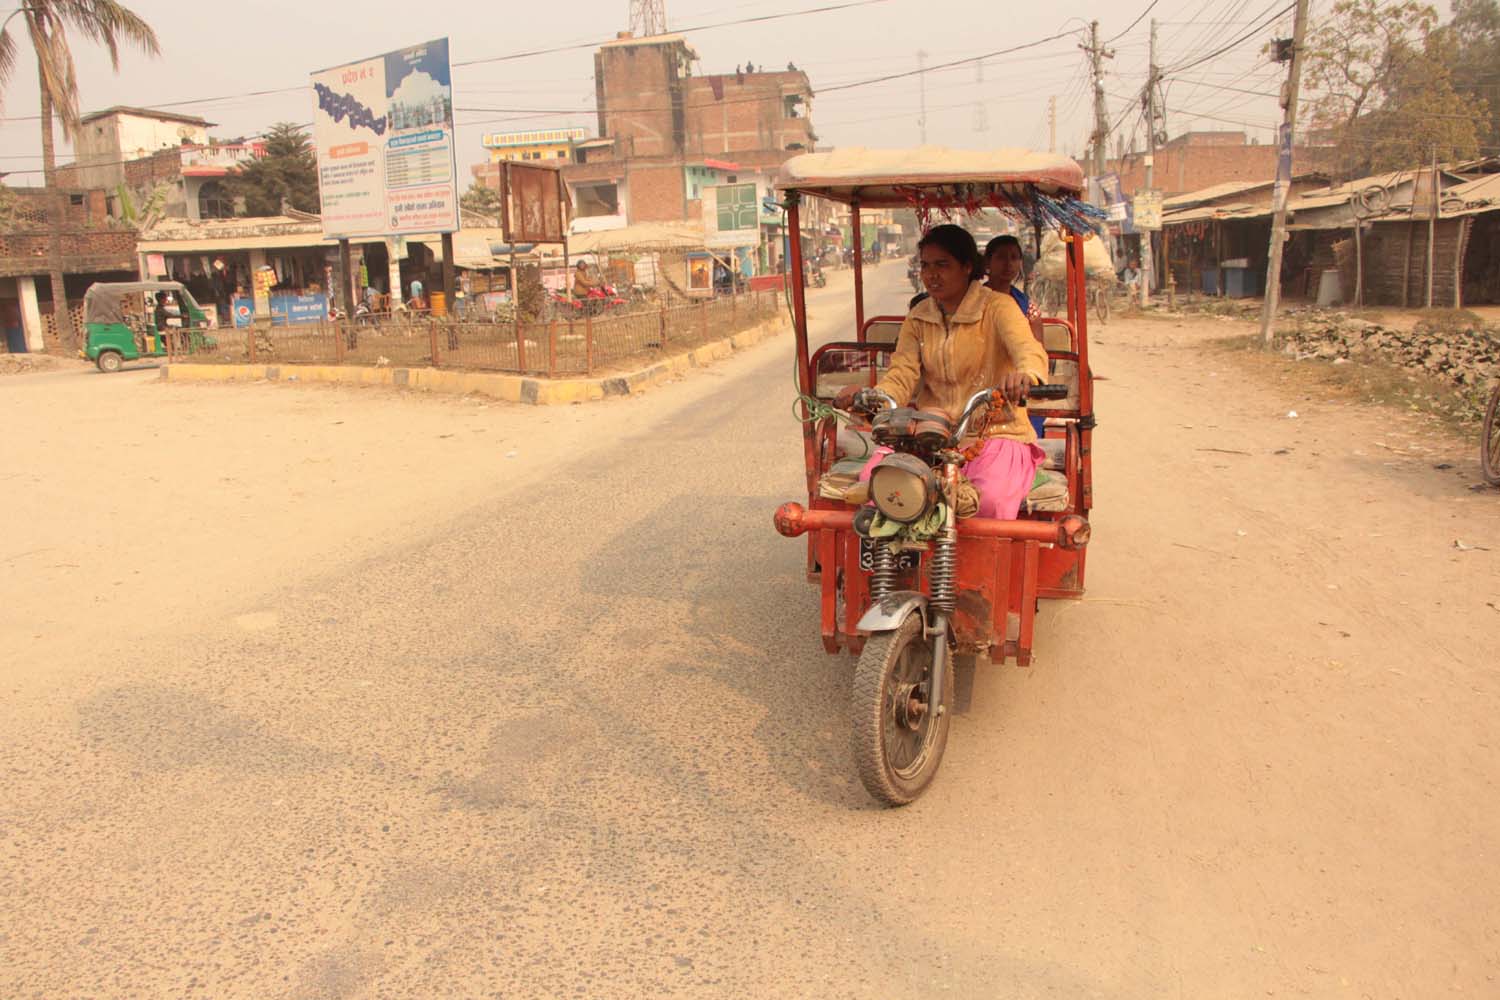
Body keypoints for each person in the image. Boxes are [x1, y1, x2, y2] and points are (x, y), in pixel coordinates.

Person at [838, 224, 1048, 520]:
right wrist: (874, 397)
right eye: (925, 265)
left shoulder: (998, 307)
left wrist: (1026, 375)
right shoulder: (918, 316)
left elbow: (1028, 348)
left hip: (998, 432)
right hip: (931, 433)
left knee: (989, 501)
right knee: (880, 486)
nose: (931, 274)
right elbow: (902, 374)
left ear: (967, 266)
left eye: (942, 265)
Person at [984, 234, 1048, 438]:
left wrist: (1025, 377)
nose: (1008, 264)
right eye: (1001, 257)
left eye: (1014, 257)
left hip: (1015, 384)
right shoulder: (973, 302)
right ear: (987, 263)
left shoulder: (1027, 307)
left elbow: (1035, 349)